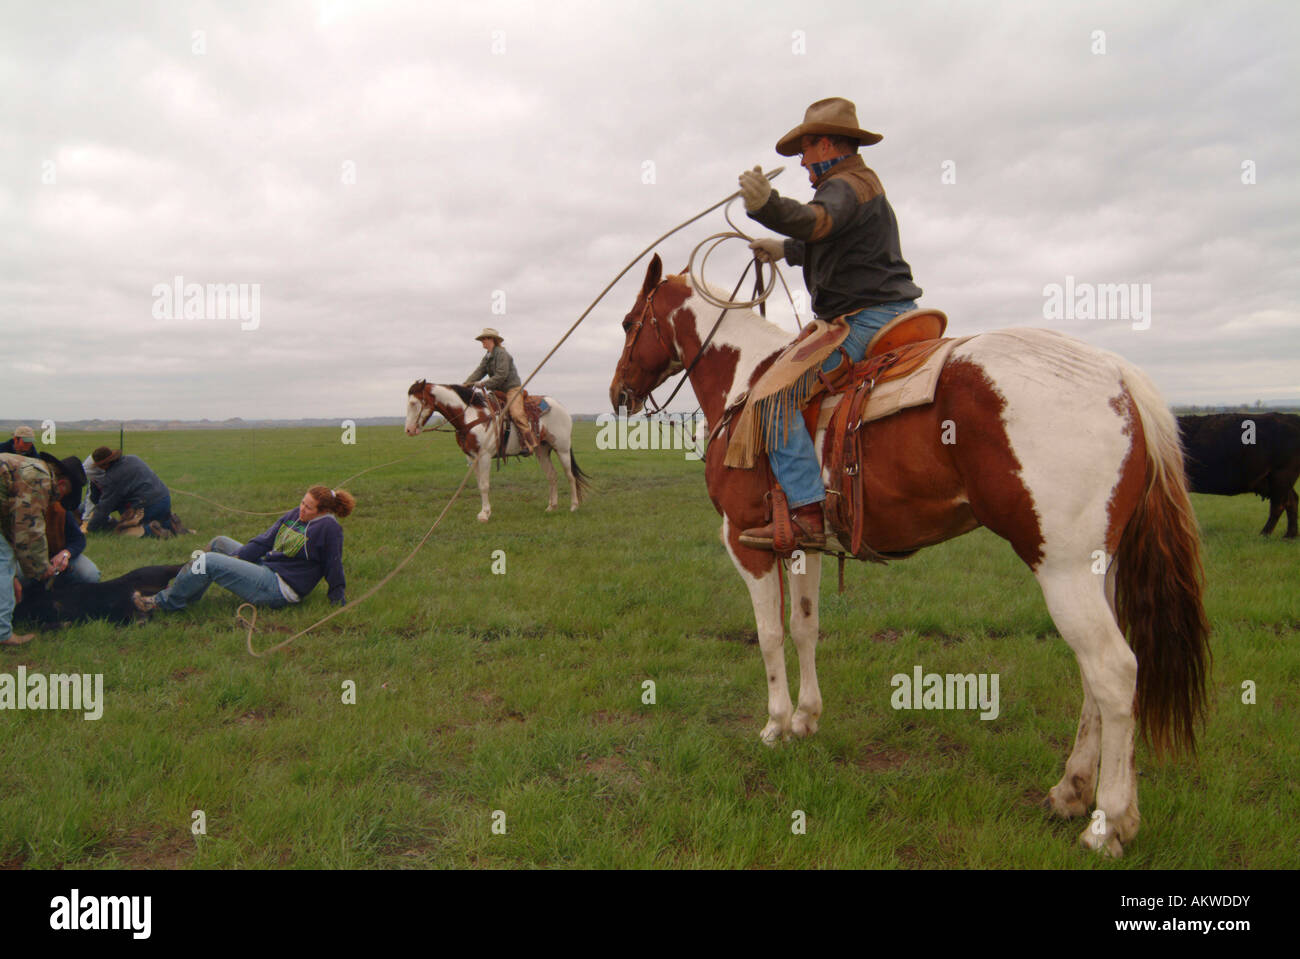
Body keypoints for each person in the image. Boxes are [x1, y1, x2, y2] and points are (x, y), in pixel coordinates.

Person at [735, 97, 923, 551]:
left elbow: (818, 223)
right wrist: (785, 249)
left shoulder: (843, 185)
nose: (801, 161)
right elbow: (832, 239)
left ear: (824, 144)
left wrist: (768, 206)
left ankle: (806, 514)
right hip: (891, 311)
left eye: (805, 149)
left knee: (773, 398)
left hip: (865, 319)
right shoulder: (860, 185)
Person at [133, 486, 353, 615]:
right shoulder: (296, 514)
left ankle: (163, 603)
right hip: (268, 566)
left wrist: (337, 596)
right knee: (220, 542)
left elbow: (333, 564)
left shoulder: (329, 528)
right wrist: (240, 557)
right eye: (302, 503)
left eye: (308, 507)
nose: (302, 509)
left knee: (209, 561)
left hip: (279, 588)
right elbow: (265, 541)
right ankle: (187, 594)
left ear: (322, 511)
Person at [1, 452, 62, 647]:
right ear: (61, 485)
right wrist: (41, 569)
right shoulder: (38, 476)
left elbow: (8, 527)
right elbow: (28, 532)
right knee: (4, 558)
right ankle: (3, 633)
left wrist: (12, 578)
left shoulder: (22, 466)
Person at [463, 327, 540, 453]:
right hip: (498, 390)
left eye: (484, 339)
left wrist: (484, 384)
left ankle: (531, 443)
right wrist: (465, 385)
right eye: (482, 339)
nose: (482, 341)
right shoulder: (488, 356)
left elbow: (501, 375)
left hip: (511, 388)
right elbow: (479, 371)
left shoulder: (502, 354)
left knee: (516, 414)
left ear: (492, 340)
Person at [34, 453, 99, 585]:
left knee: (91, 574)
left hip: (52, 558)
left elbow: (78, 539)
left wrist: (66, 553)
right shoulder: (28, 500)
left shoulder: (61, 508)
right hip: (23, 559)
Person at [85, 447, 175, 539]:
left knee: (121, 530)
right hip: (165, 499)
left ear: (104, 465)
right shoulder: (133, 458)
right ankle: (170, 524)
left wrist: (91, 527)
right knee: (160, 519)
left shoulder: (112, 478)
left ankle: (150, 531)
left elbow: (105, 506)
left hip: (149, 506)